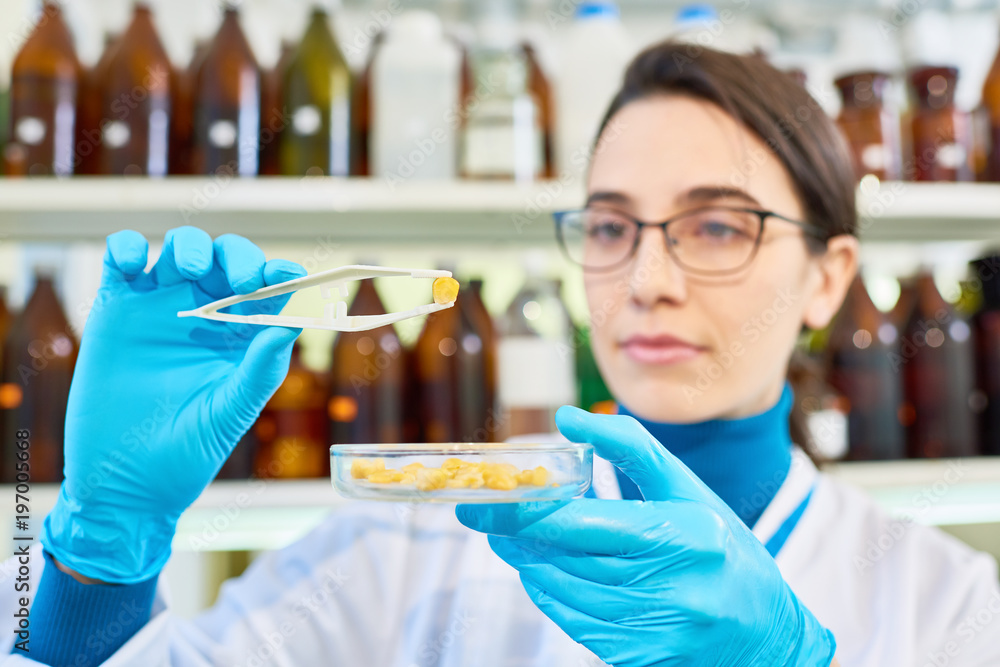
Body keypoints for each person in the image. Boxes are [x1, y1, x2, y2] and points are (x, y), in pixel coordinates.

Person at [3, 42, 999, 667]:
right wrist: (101, 563)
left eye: (716, 226)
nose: (644, 278)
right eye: (611, 227)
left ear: (829, 276)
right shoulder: (411, 546)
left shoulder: (945, 601)